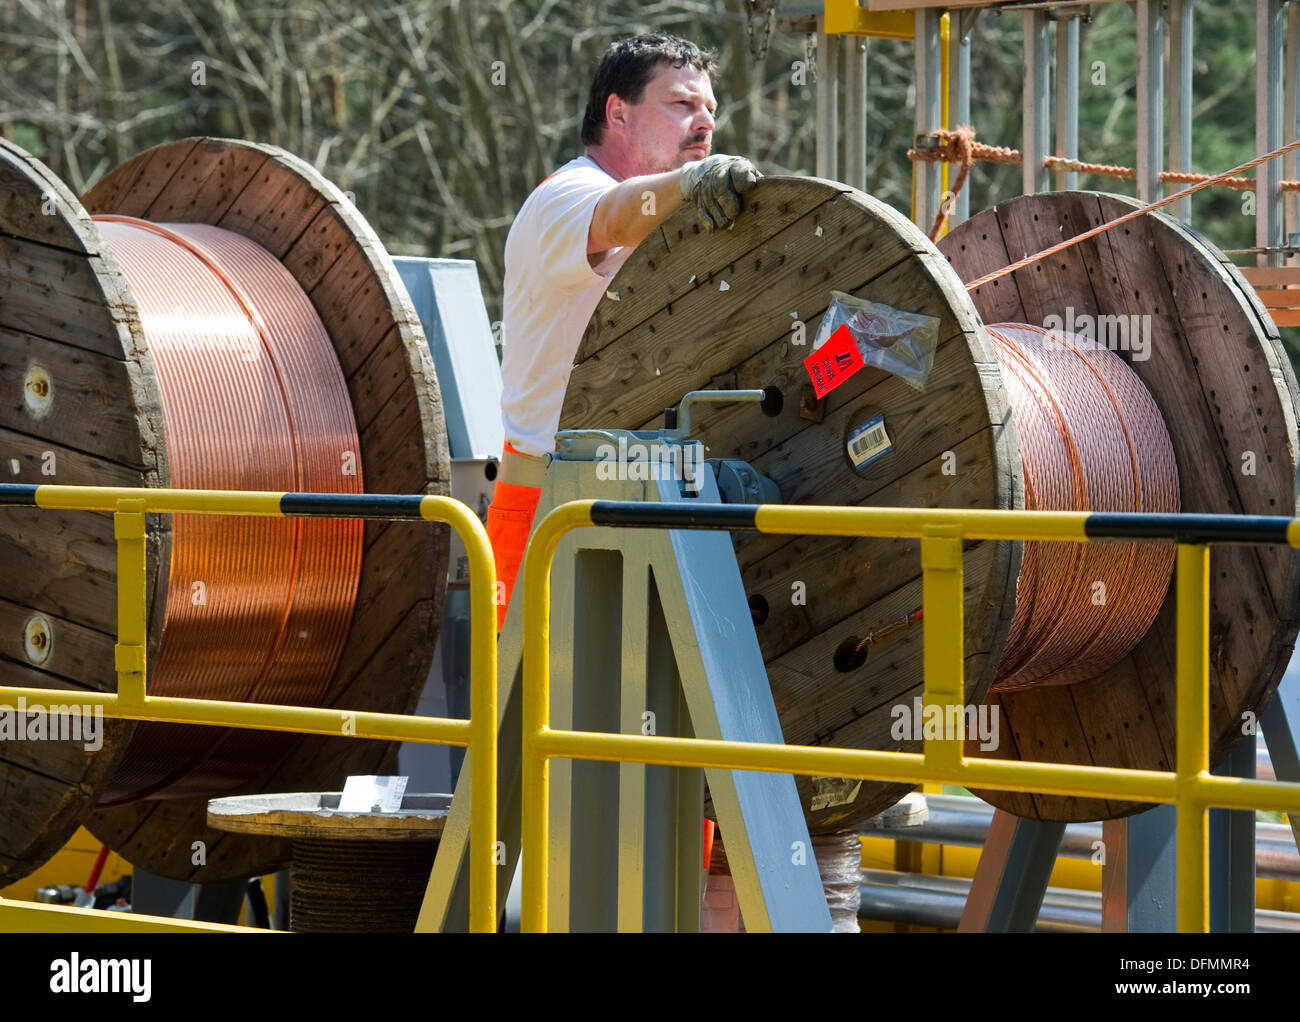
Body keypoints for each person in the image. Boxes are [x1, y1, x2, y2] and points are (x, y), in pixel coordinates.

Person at [487, 32, 762, 628]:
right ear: (618, 112)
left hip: (640, 493)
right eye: (682, 105)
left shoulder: (675, 226)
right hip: (548, 503)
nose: (704, 122)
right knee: (523, 710)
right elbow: (615, 216)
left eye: (710, 109)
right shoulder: (566, 197)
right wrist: (691, 185)